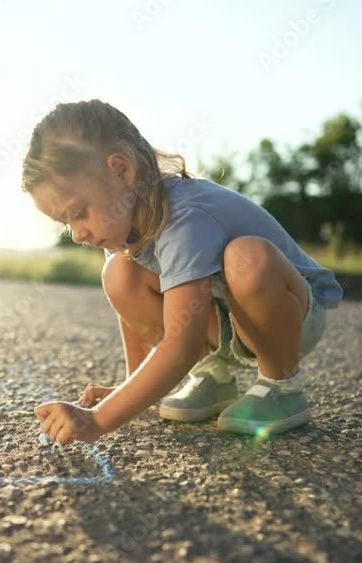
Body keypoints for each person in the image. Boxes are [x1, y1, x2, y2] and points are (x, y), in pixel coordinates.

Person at [23, 99, 342, 445]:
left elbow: (180, 344)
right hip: (227, 320)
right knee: (120, 272)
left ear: (121, 171)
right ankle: (213, 377)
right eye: (65, 223)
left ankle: (281, 384)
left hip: (292, 315)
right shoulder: (123, 225)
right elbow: (141, 317)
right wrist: (129, 390)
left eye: (78, 212)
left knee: (246, 258)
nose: (77, 233)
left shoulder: (184, 216)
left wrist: (98, 420)